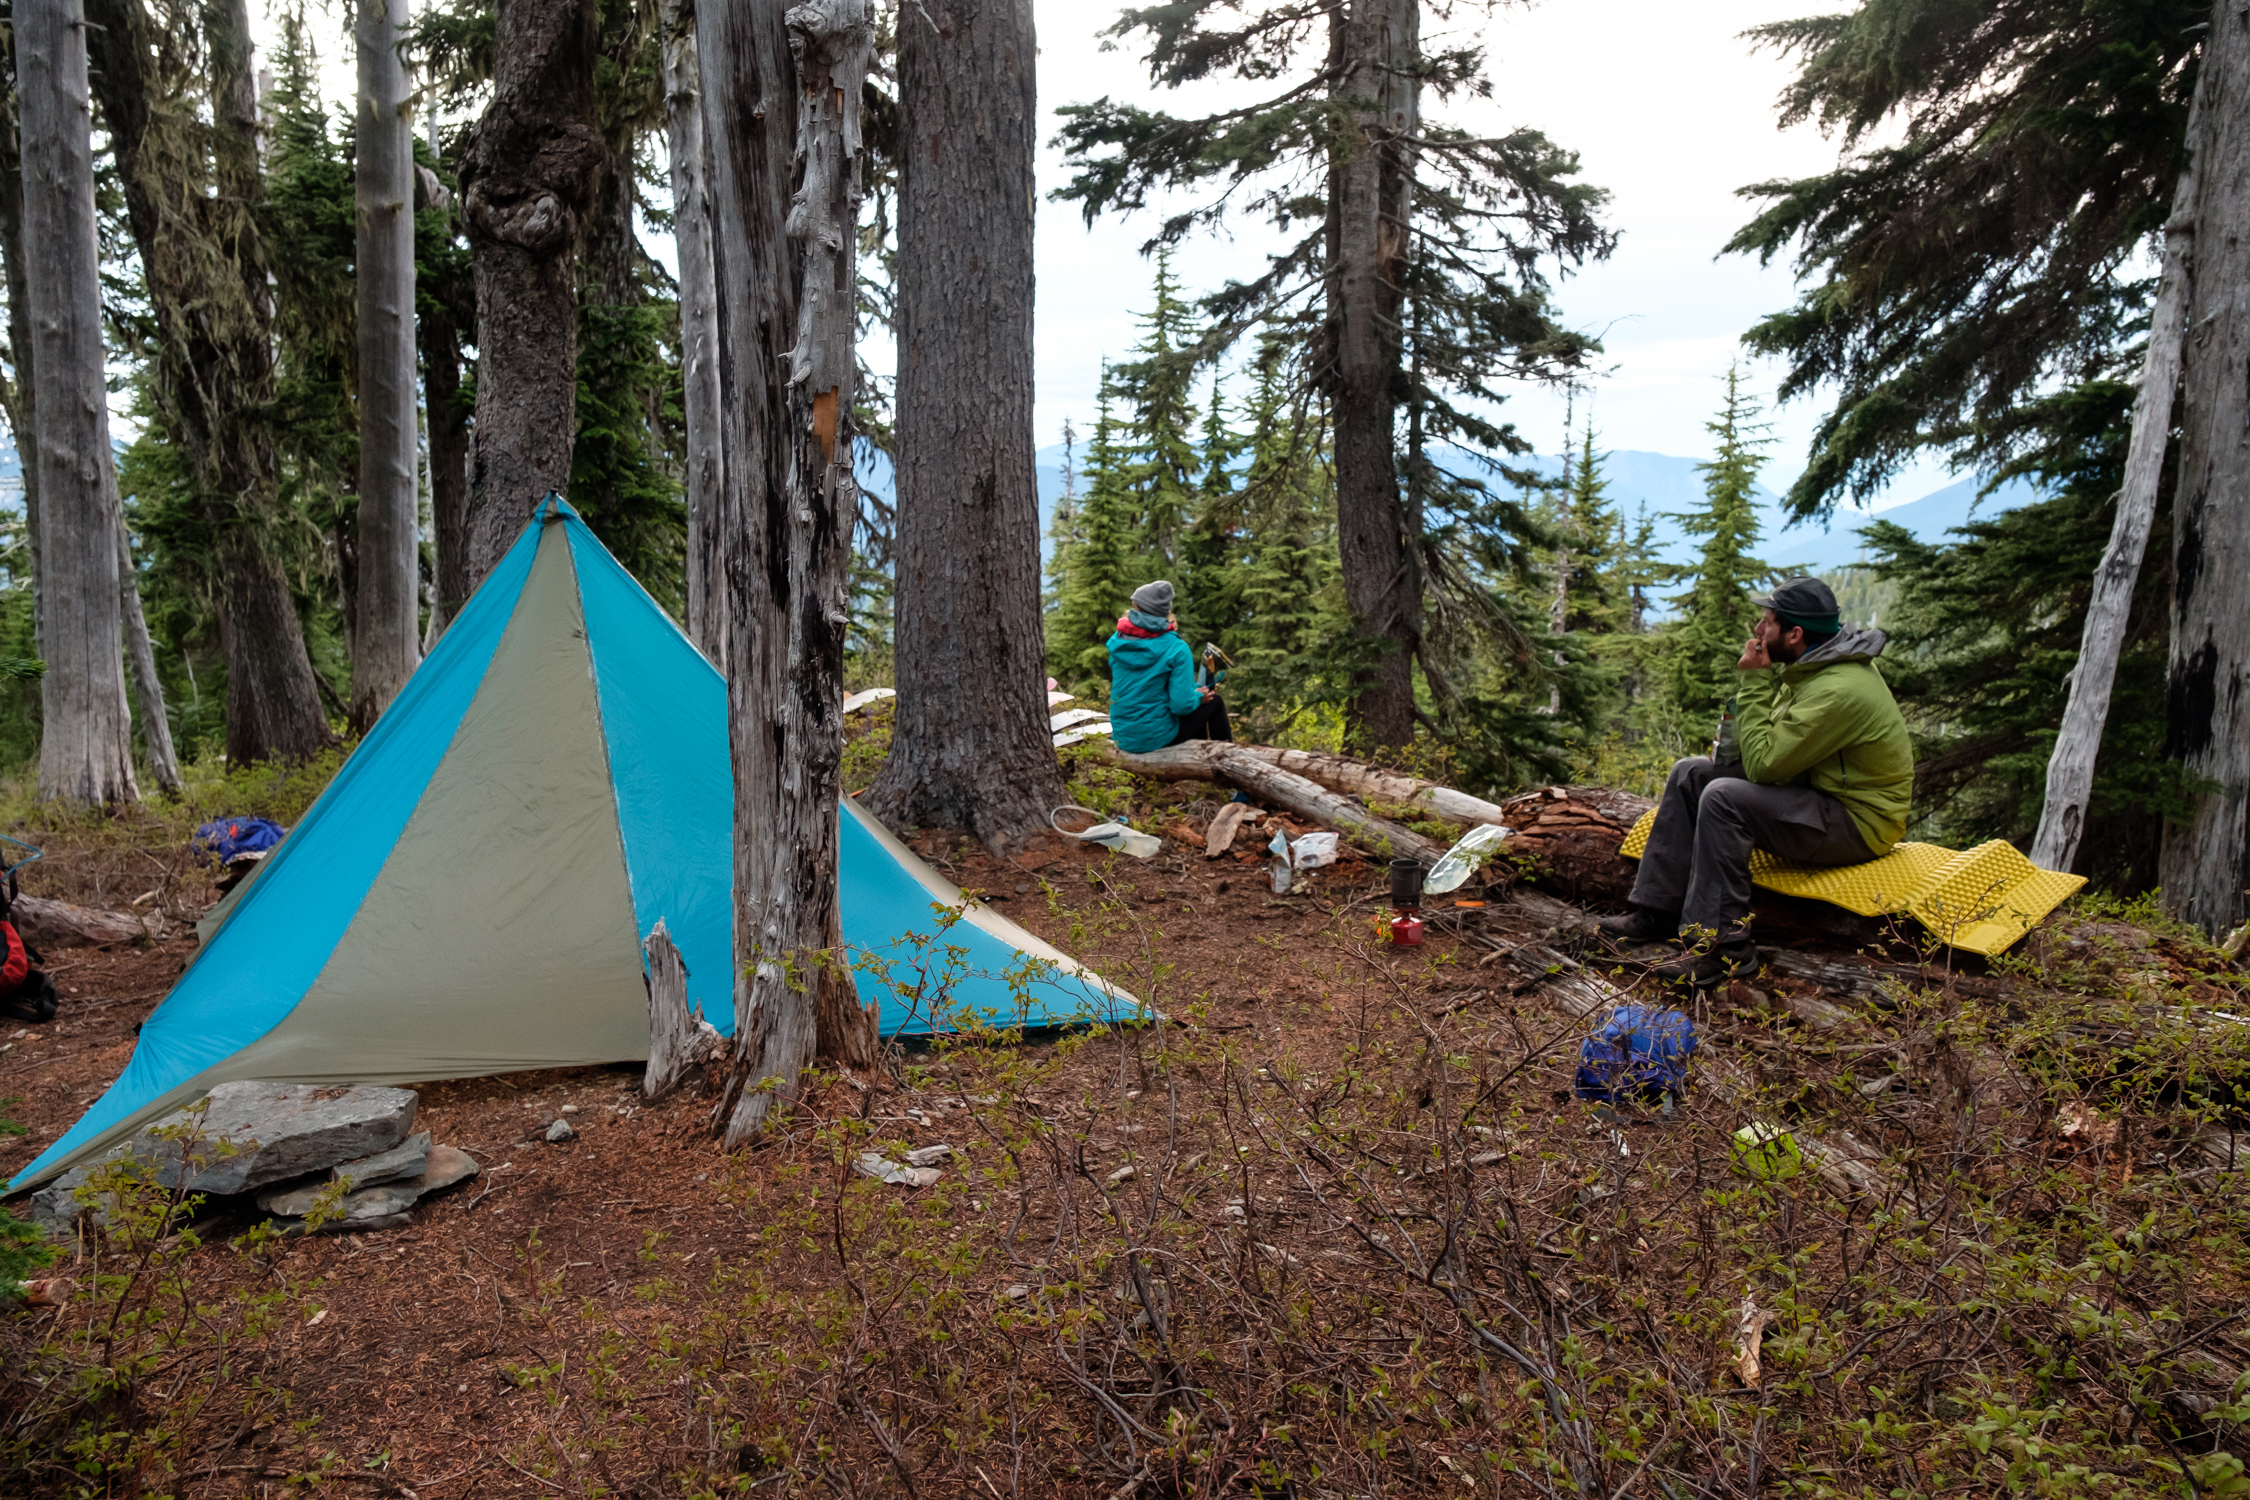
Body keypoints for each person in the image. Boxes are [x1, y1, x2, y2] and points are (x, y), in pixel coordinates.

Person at [1601, 576, 1913, 987]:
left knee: (1723, 797)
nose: (1757, 631)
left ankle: (1724, 950)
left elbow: (1765, 766)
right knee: (1689, 774)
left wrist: (1753, 680)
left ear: (1795, 633)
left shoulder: (1838, 690)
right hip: (1816, 794)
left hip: (1857, 823)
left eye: (1766, 622)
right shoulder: (1814, 666)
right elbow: (1766, 752)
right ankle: (1658, 911)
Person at [1105, 580, 1232, 753]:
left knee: (1195, 704)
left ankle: (1195, 764)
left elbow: (1145, 684)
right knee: (1214, 703)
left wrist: (1196, 690)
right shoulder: (1176, 648)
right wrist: (1198, 697)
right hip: (1154, 739)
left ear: (1135, 607)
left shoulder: (1118, 641)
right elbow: (1180, 705)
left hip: (1123, 737)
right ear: (1164, 613)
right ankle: (1226, 757)